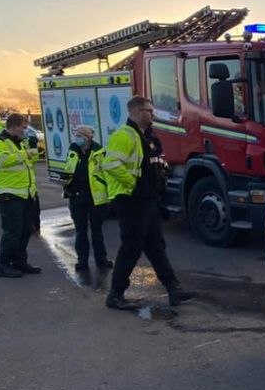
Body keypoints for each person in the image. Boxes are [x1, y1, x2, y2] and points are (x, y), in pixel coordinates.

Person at [101, 97, 195, 310]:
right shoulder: (124, 136)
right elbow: (111, 164)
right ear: (135, 112)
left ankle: (174, 289)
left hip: (148, 201)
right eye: (148, 111)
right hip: (130, 201)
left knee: (155, 246)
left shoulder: (148, 138)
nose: (152, 114)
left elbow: (155, 165)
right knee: (131, 248)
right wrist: (132, 183)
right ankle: (115, 295)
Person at [0, 113, 41, 278]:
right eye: (23, 127)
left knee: (26, 229)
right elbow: (3, 161)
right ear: (13, 126)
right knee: (12, 231)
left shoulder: (19, 143)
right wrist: (26, 154)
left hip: (25, 193)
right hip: (8, 193)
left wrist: (33, 150)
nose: (25, 131)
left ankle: (19, 261)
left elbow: (29, 164)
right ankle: (3, 264)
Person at [62, 125, 112, 271]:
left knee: (97, 231)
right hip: (77, 196)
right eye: (75, 135)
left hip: (95, 197)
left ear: (87, 137)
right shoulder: (73, 151)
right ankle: (82, 261)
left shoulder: (99, 152)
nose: (76, 138)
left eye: (79, 135)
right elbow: (69, 170)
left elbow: (106, 174)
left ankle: (101, 260)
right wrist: (66, 182)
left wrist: (110, 194)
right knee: (80, 231)